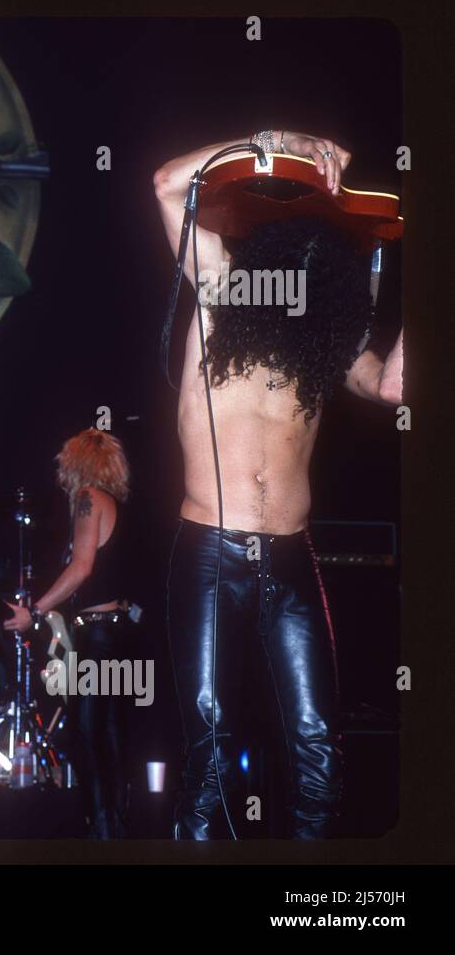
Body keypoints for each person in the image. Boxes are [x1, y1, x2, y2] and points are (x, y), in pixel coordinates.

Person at [152, 130, 404, 838]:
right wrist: (269, 138)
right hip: (210, 550)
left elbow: (392, 387)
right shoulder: (220, 286)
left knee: (319, 742)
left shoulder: (332, 334)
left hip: (293, 559)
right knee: (207, 752)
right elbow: (168, 182)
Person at [4, 428, 133, 838]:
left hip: (97, 638)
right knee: (108, 739)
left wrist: (35, 612)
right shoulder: (111, 502)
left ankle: (102, 836)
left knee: (88, 739)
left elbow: (81, 568)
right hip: (116, 635)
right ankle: (115, 831)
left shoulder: (87, 499)